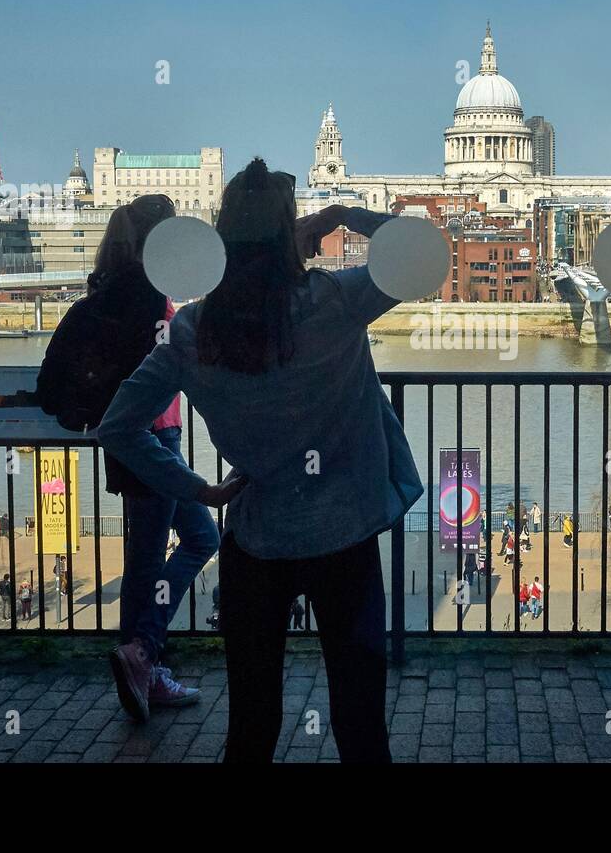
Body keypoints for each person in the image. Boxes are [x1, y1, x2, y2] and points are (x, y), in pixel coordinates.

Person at [99, 158, 422, 763]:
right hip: (344, 536)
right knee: (361, 725)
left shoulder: (192, 331)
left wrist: (198, 490)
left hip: (255, 540)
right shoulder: (336, 301)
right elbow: (424, 250)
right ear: (288, 235)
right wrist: (344, 215)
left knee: (251, 727)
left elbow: (118, 427)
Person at [66, 195, 222, 722]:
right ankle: (143, 658)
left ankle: (142, 657)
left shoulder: (112, 293)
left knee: (172, 548)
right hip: (154, 437)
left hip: (137, 439)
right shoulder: (150, 299)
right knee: (161, 555)